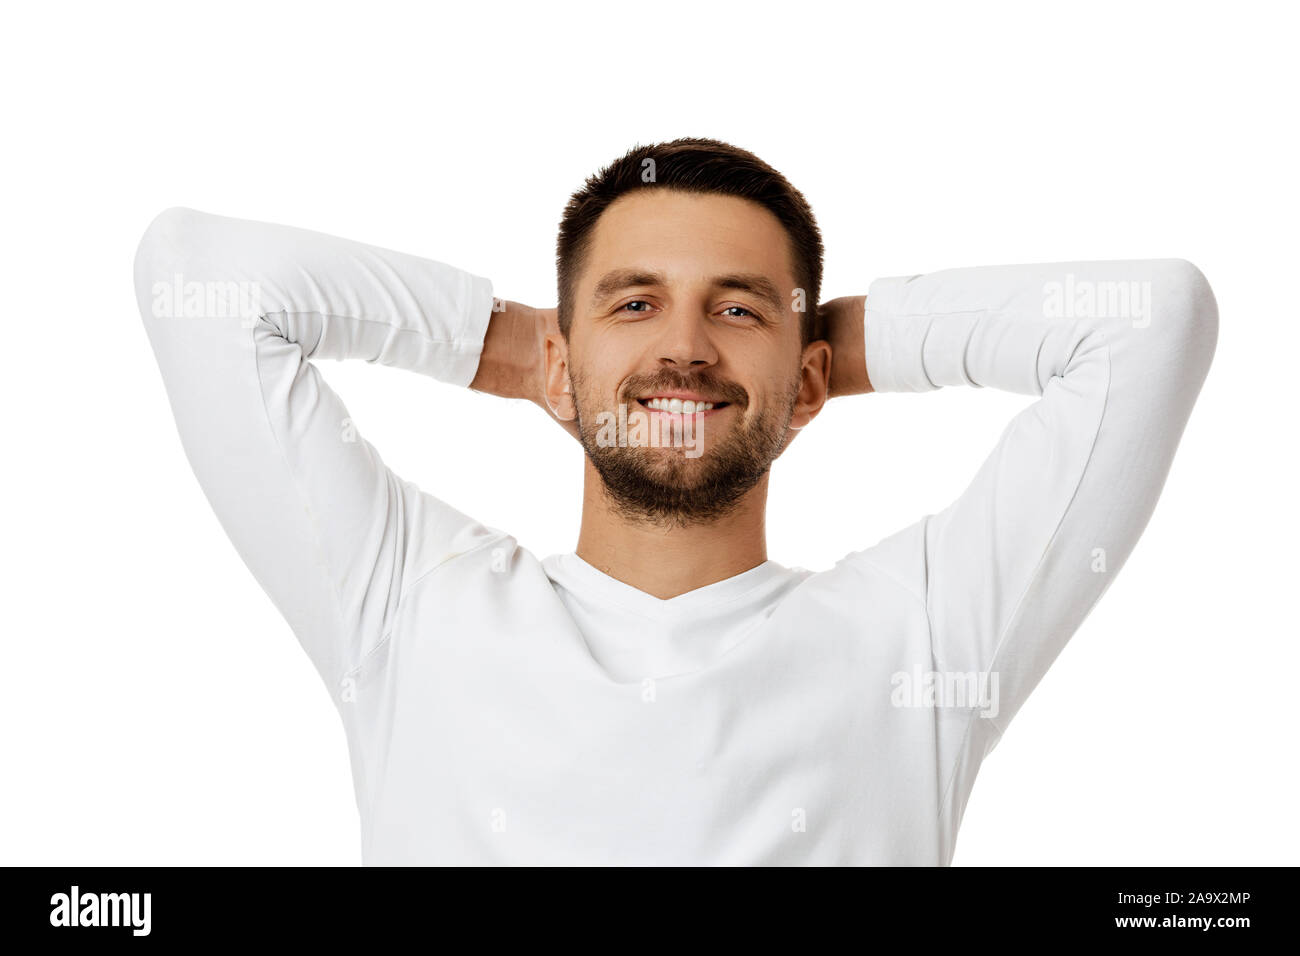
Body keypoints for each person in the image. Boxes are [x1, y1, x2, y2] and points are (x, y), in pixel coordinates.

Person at [131, 137, 1217, 865]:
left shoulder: (922, 635)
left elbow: (1149, 321)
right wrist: (521, 352)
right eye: (635, 302)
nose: (684, 350)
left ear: (805, 383)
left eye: (736, 309)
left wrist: (825, 351)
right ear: (561, 362)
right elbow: (199, 273)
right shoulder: (406, 603)